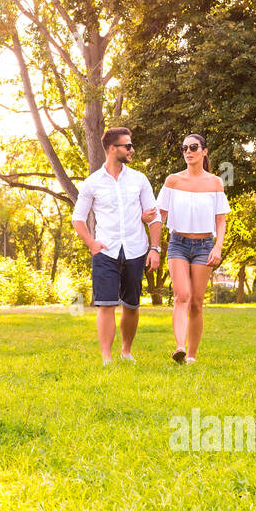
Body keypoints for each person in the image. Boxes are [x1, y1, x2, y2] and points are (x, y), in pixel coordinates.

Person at [71, 127, 162, 366]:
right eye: (128, 146)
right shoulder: (92, 183)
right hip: (106, 250)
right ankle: (106, 358)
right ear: (113, 149)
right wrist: (91, 243)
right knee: (106, 305)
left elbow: (154, 216)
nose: (132, 150)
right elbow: (77, 218)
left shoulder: (139, 179)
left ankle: (126, 351)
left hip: (135, 249)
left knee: (131, 305)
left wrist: (155, 249)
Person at [156, 133, 230, 364]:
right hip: (178, 243)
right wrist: (149, 227)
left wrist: (218, 247)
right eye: (184, 147)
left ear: (204, 151)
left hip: (204, 245)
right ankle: (179, 346)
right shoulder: (173, 181)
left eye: (194, 147)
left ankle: (192, 355)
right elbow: (160, 214)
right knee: (182, 296)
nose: (188, 151)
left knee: (197, 302)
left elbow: (221, 219)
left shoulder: (215, 183)